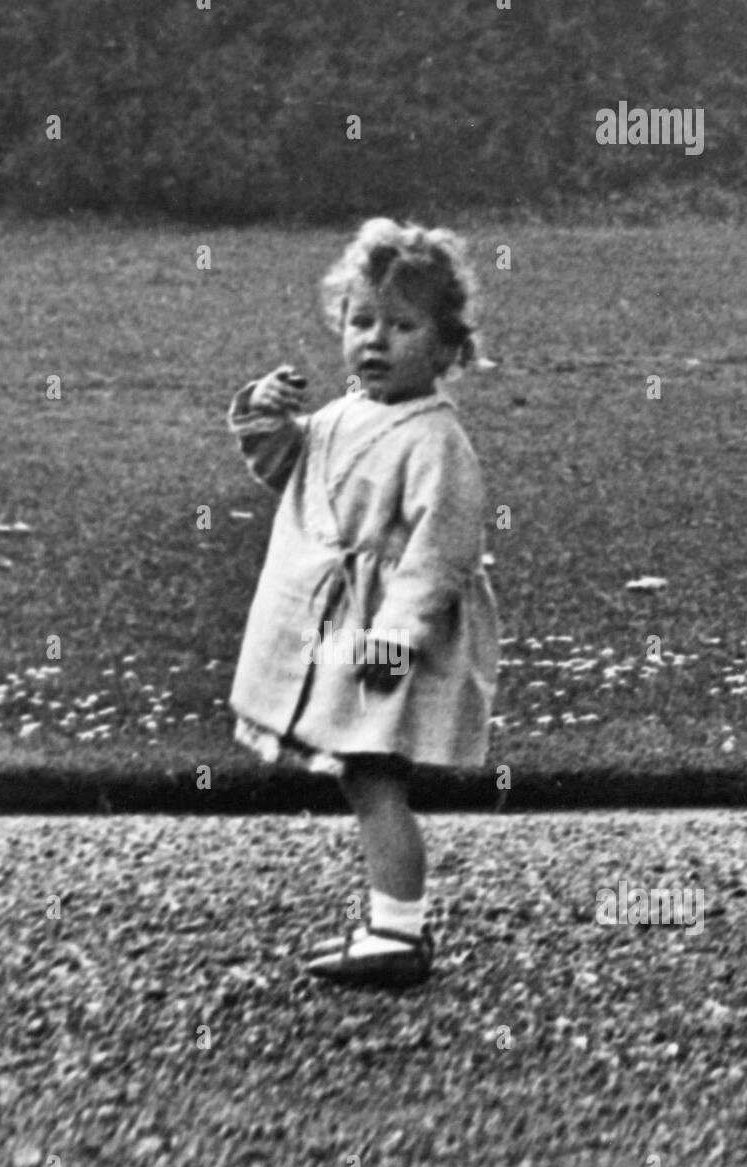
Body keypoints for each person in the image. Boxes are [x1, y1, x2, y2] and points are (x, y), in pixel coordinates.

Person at [227, 217, 499, 985]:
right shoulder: (345, 416)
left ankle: (397, 933)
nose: (374, 341)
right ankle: (390, 926)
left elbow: (440, 555)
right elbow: (291, 470)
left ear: (447, 347)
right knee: (358, 774)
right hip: (335, 629)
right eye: (361, 321)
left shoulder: (435, 441)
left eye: (402, 326)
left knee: (372, 776)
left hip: (381, 643)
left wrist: (394, 638)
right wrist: (265, 411)